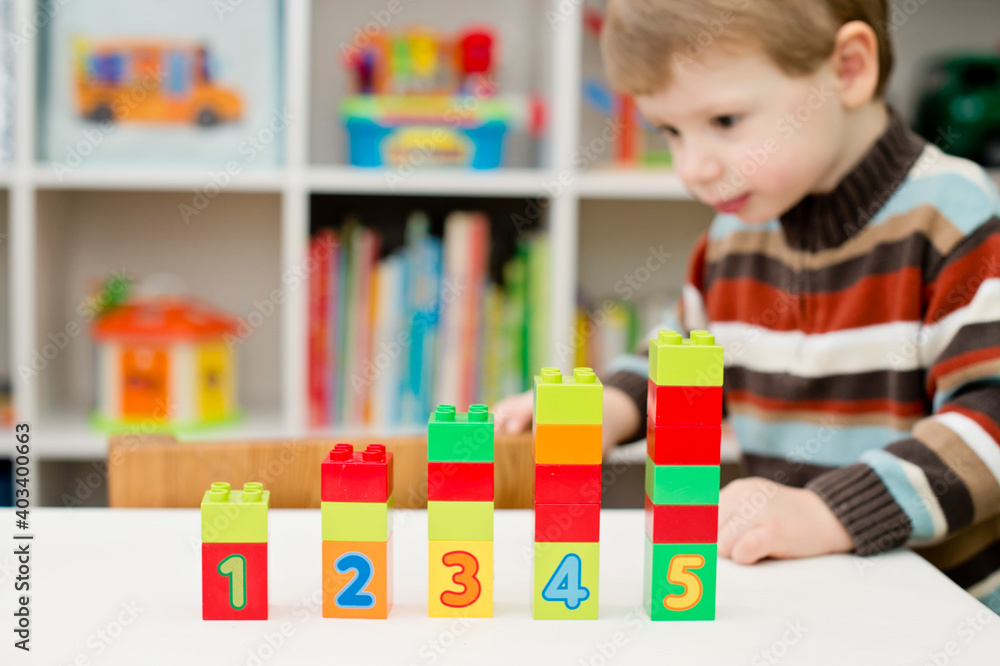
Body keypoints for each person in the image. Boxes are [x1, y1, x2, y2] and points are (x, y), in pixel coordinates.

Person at [494, 0, 1000, 612]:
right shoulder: (734, 237)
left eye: (726, 120)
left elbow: (988, 421)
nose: (694, 168)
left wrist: (826, 512)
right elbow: (681, 360)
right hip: (794, 595)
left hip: (943, 609)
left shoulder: (954, 216)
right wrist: (606, 406)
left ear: (846, 69)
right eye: (670, 131)